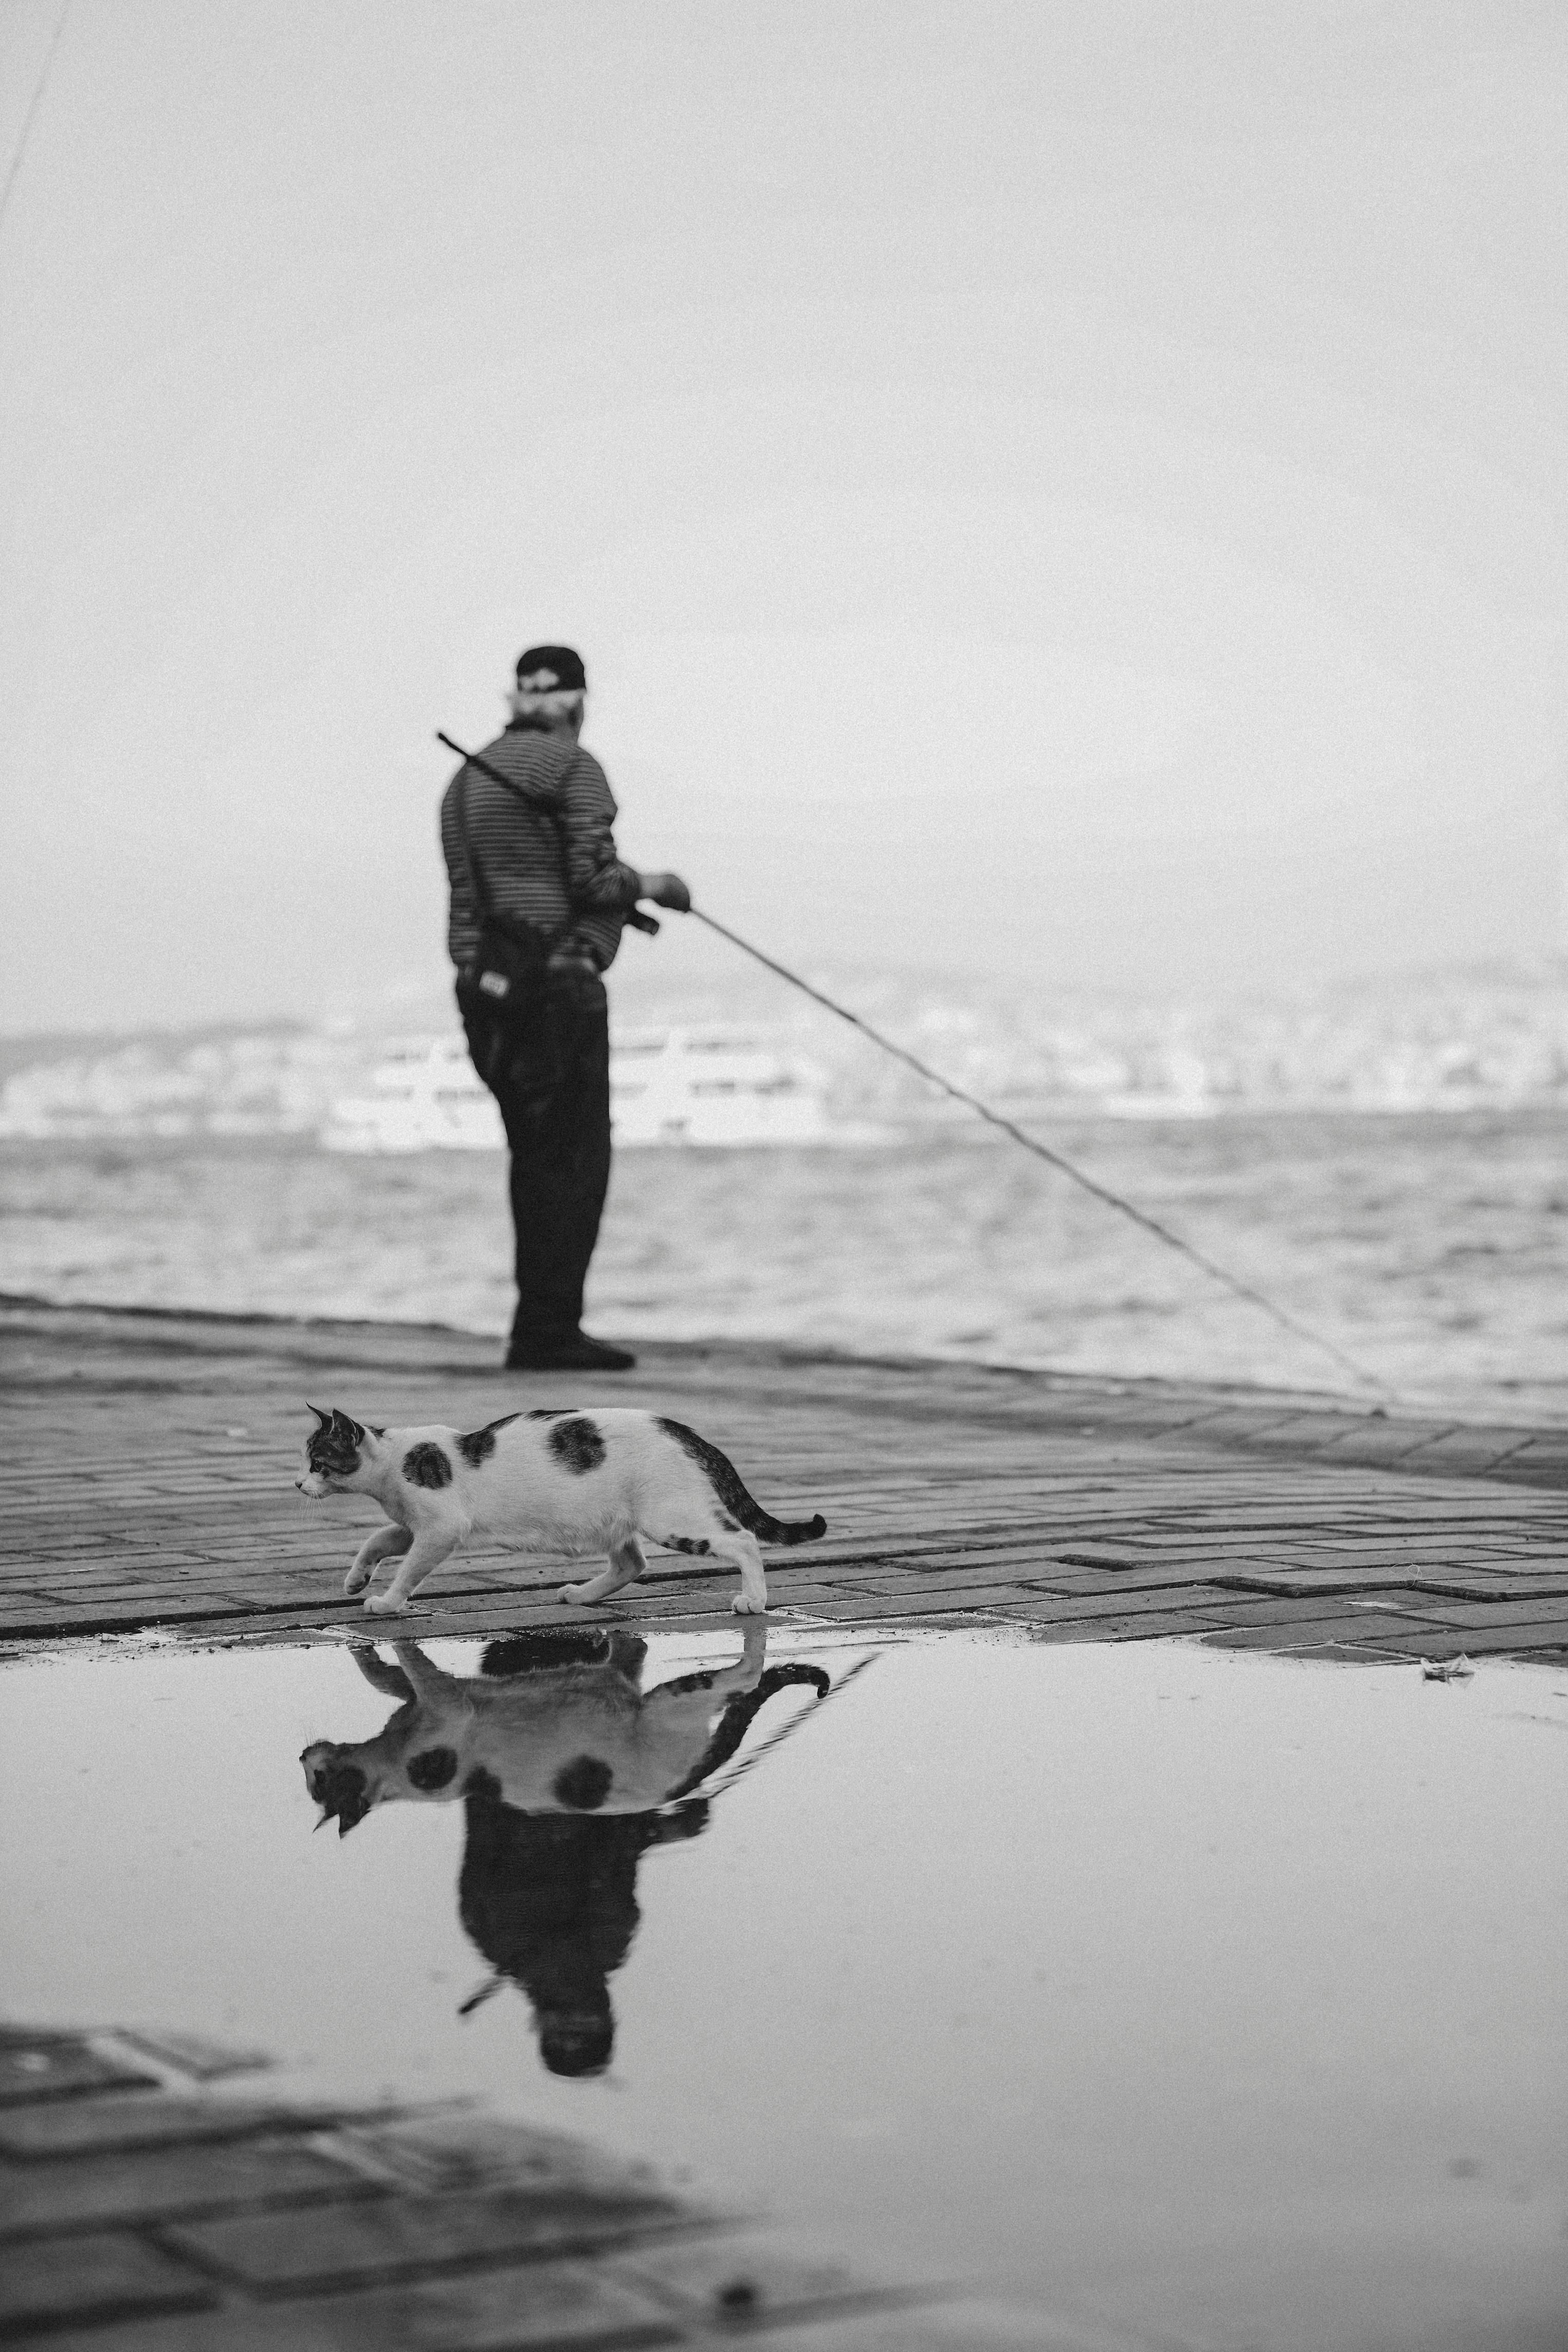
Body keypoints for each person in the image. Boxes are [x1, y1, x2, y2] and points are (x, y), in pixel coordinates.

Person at [440, 645, 689, 1373]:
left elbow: (513, 883)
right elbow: (590, 874)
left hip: (486, 992)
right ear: (578, 701)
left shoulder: (464, 781)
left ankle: (538, 1324)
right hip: (557, 990)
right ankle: (551, 1328)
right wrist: (659, 884)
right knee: (575, 1162)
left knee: (534, 1158)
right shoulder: (573, 768)